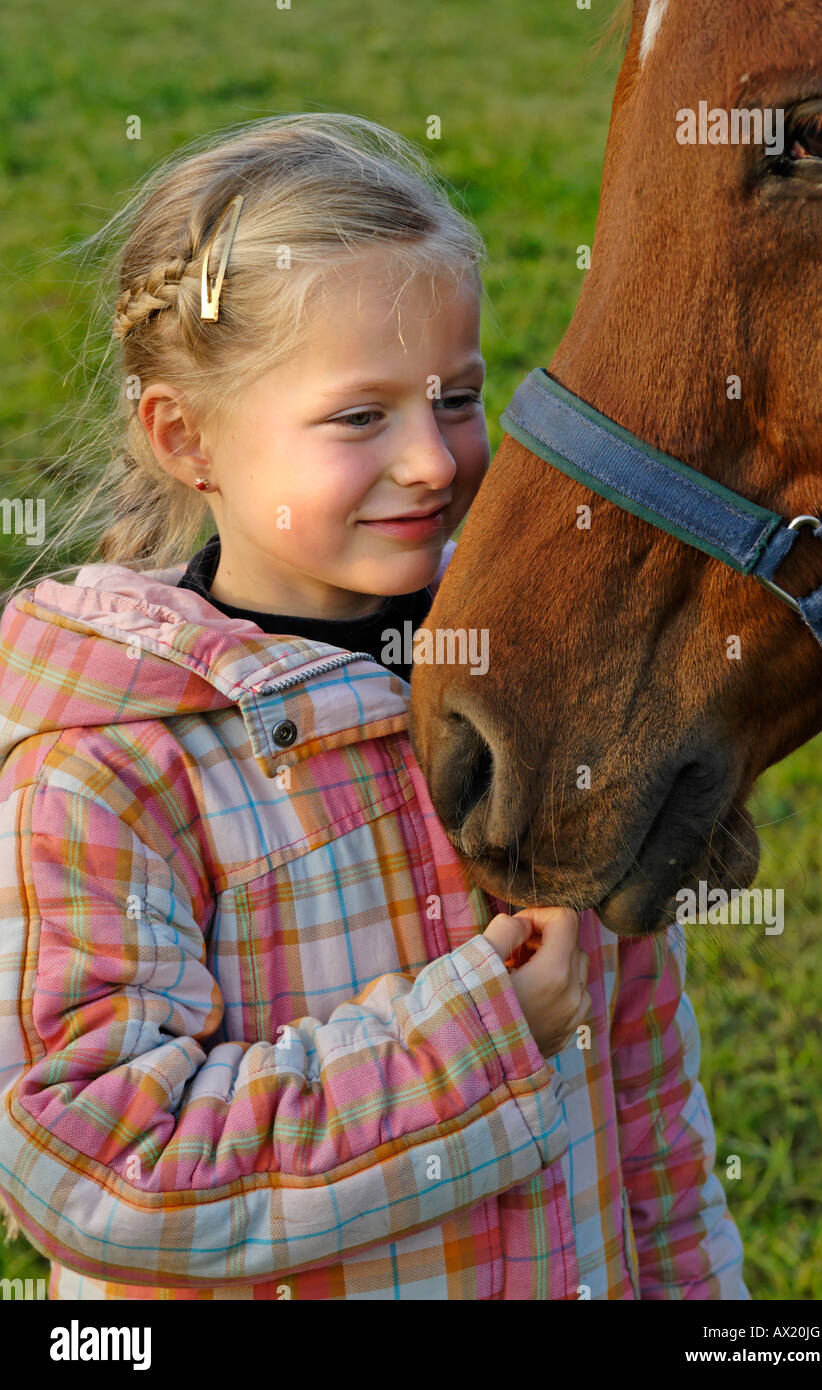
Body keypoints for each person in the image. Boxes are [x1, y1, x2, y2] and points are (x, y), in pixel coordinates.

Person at [0, 113, 748, 1300]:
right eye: (361, 416)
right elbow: (96, 1166)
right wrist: (476, 1040)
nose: (436, 460)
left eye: (458, 396)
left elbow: (645, 1097)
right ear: (185, 436)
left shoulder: (537, 693)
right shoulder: (112, 769)